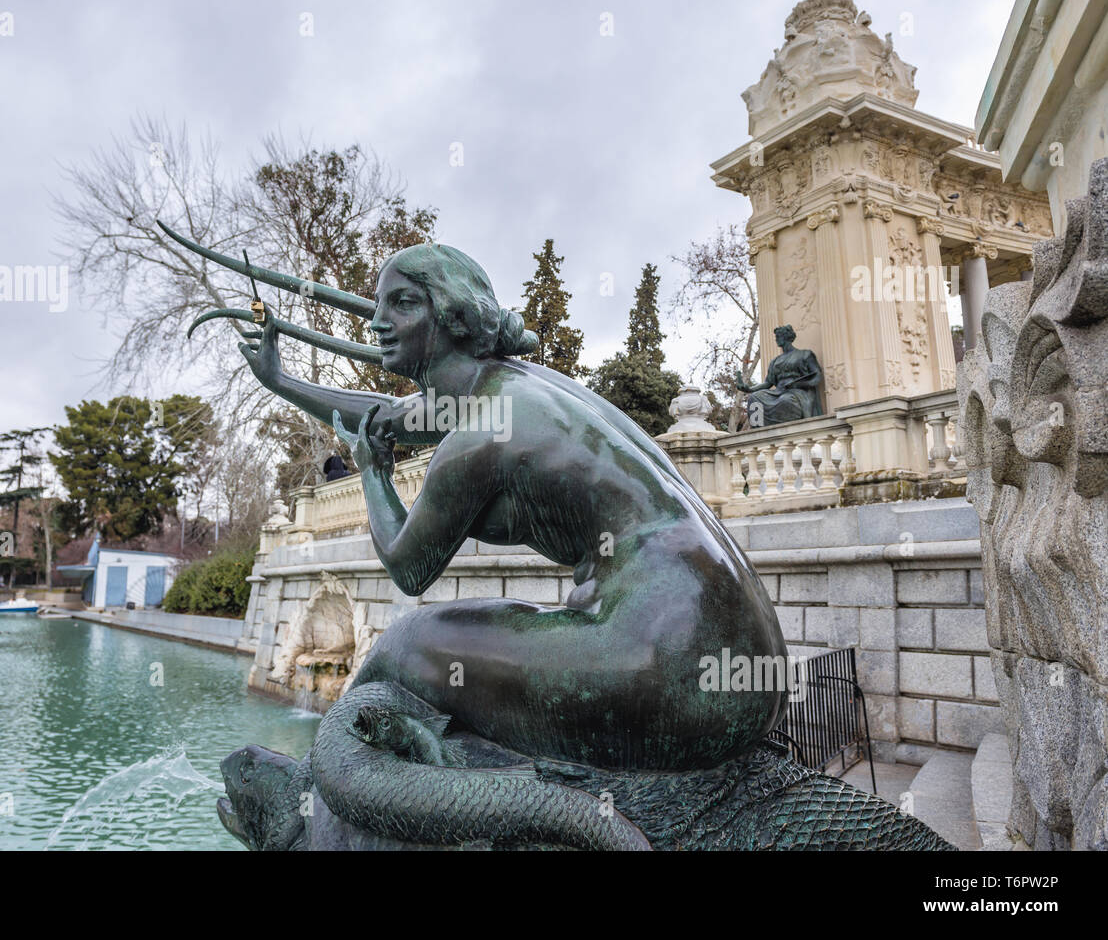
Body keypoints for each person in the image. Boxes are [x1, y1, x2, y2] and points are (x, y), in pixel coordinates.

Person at [231, 243, 785, 770]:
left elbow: (408, 567)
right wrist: (278, 378)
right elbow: (385, 415)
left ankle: (339, 789)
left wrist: (374, 473)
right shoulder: (514, 388)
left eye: (401, 304)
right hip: (746, 667)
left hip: (672, 667)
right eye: (378, 306)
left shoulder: (479, 435)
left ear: (453, 317)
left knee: (404, 645)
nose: (377, 323)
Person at [734, 324, 824, 427]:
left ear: (786, 337)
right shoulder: (775, 361)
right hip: (778, 392)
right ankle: (758, 430)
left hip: (797, 392)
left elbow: (817, 376)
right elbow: (768, 383)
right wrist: (749, 389)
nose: (776, 339)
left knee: (785, 401)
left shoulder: (805, 354)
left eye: (778, 336)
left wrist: (800, 384)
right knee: (754, 398)